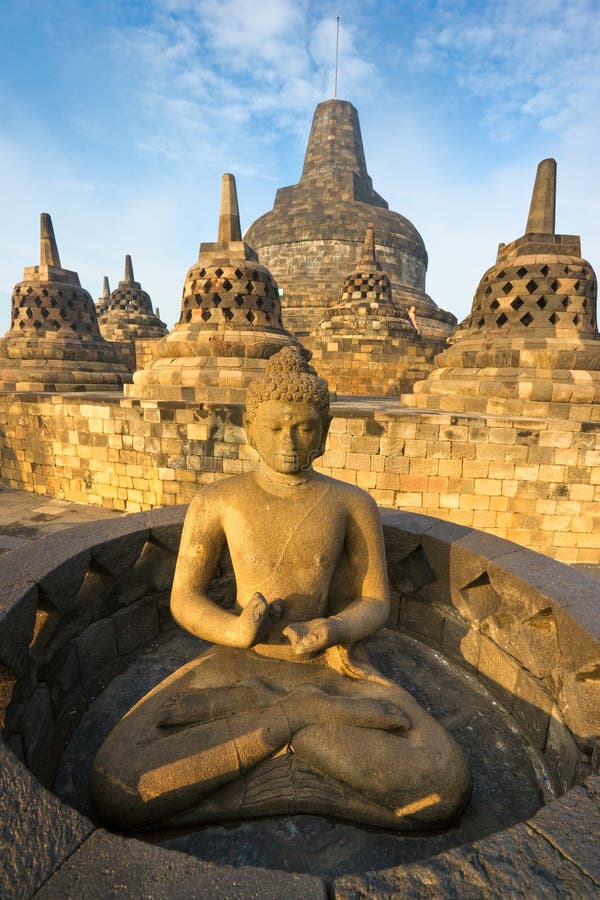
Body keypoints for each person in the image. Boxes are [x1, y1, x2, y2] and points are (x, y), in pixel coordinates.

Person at [91, 348, 471, 831]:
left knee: (444, 781)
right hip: (240, 663)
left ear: (324, 433)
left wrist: (333, 628)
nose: (288, 442)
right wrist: (234, 631)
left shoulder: (351, 503)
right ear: (250, 429)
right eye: (273, 428)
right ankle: (302, 730)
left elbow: (376, 601)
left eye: (304, 428)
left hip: (328, 665)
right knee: (120, 783)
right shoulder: (217, 500)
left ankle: (258, 756)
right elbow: (185, 597)